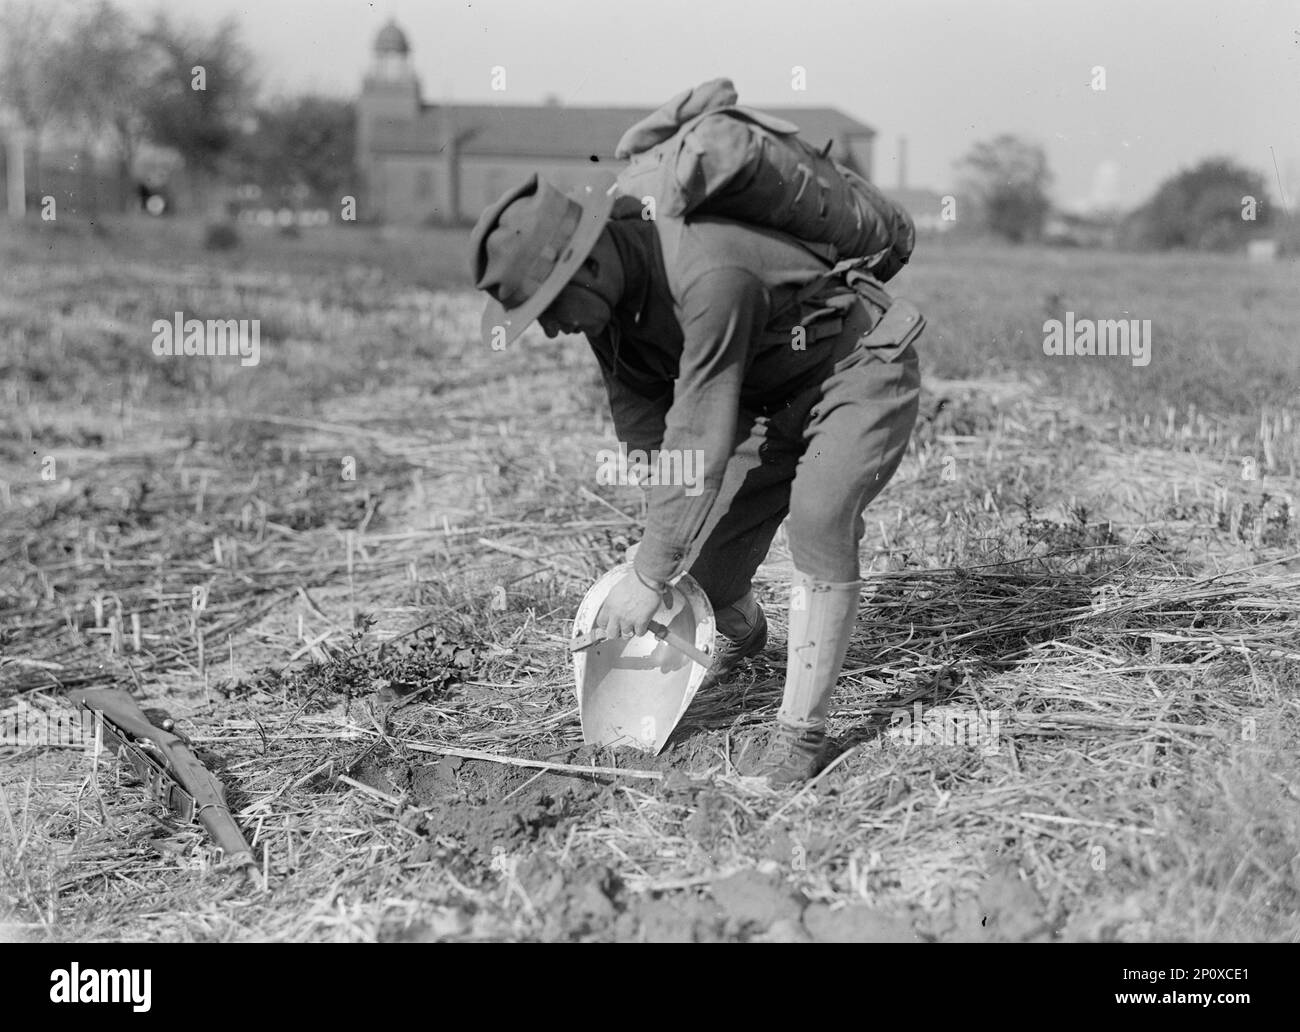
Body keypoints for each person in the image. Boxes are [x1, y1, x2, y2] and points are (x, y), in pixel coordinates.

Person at [469, 174, 921, 784]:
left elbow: (701, 435)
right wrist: (661, 550)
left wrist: (650, 572)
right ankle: (744, 634)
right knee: (702, 579)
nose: (551, 331)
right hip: (766, 402)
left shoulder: (709, 274)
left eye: (549, 310)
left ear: (590, 267)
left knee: (818, 515)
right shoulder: (609, 314)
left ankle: (801, 736)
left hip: (857, 371)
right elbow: (647, 431)